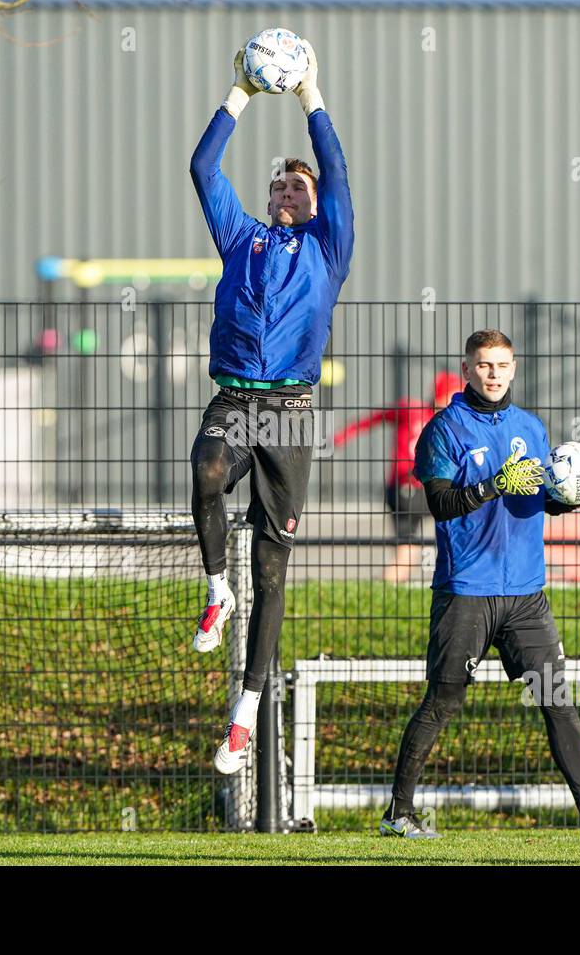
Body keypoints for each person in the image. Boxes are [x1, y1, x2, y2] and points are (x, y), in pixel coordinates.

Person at [379, 328, 580, 838]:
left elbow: (541, 500)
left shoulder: (531, 428)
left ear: (513, 369)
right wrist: (492, 484)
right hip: (466, 591)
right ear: (467, 369)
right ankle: (398, 814)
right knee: (443, 702)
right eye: (483, 365)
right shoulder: (444, 429)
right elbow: (440, 504)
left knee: (556, 699)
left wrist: (579, 494)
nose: (493, 374)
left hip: (526, 595)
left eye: (501, 365)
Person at [188, 40, 353, 774]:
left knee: (274, 569)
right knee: (205, 467)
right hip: (236, 397)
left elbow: (340, 174)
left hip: (289, 410)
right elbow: (201, 168)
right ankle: (214, 589)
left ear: (316, 204)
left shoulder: (328, 246)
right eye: (280, 187)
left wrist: (311, 92)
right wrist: (241, 92)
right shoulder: (241, 239)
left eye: (299, 188)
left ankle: (246, 711)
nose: (289, 194)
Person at [332, 372, 464, 583]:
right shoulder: (419, 412)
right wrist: (343, 435)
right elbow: (375, 418)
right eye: (452, 394)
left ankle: (388, 585)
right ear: (440, 395)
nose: (455, 400)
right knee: (410, 545)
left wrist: (344, 435)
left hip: (420, 487)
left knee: (411, 547)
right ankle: (385, 586)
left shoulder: (448, 420)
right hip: (408, 486)